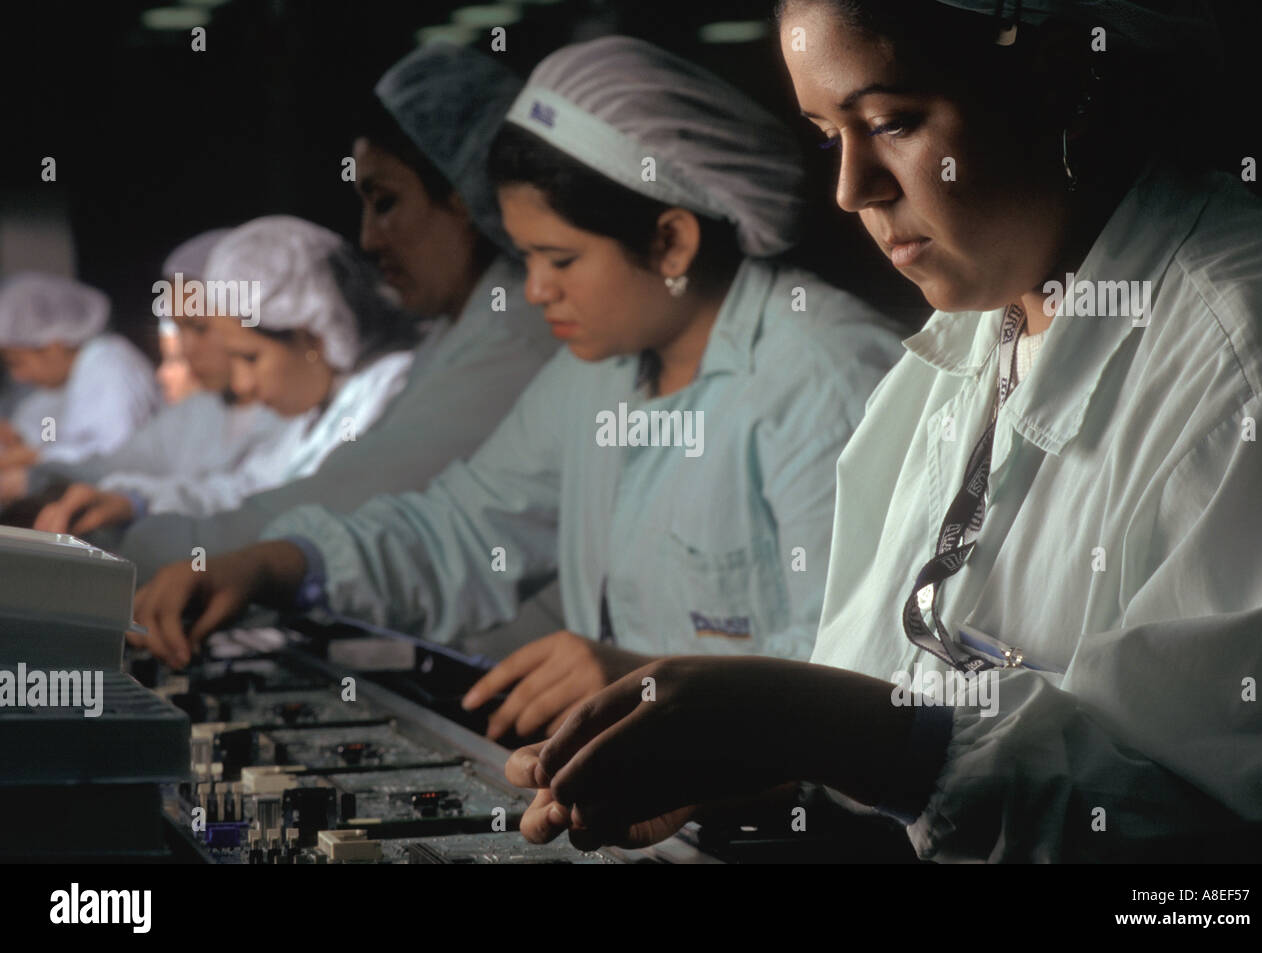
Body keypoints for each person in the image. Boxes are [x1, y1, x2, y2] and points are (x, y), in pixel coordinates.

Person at [498, 0, 1262, 862]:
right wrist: (751, 762)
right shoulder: (975, 327)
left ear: (1065, 77)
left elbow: (1206, 849)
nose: (851, 188)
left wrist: (843, 735)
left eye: (890, 122)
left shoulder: (1251, 363)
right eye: (825, 134)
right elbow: (902, 685)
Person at [129, 36, 906, 744]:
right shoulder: (598, 372)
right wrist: (281, 562)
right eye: (525, 256)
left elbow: (861, 682)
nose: (533, 291)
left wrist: (653, 688)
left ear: (671, 240)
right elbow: (464, 529)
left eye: (559, 260)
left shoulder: (824, 379)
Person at [105, 42, 559, 586]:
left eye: (386, 202)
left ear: (463, 193)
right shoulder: (453, 333)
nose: (369, 238)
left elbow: (369, 503)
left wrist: (164, 550)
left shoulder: (513, 337)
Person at [34, 216, 416, 533]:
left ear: (312, 334)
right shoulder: (319, 410)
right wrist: (135, 500)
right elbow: (249, 490)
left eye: (249, 357)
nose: (243, 383)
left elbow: (300, 513)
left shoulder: (388, 389)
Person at [0, 230, 288, 512]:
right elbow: (118, 463)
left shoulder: (292, 416)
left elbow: (243, 507)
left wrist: (136, 502)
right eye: (179, 328)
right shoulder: (199, 411)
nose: (187, 351)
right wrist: (37, 477)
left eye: (199, 327)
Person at [0, 273, 158, 470]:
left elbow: (113, 454)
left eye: (17, 362)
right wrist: (18, 439)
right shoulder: (59, 386)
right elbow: (46, 434)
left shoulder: (108, 364)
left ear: (53, 345)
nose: (18, 376)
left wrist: (34, 457)